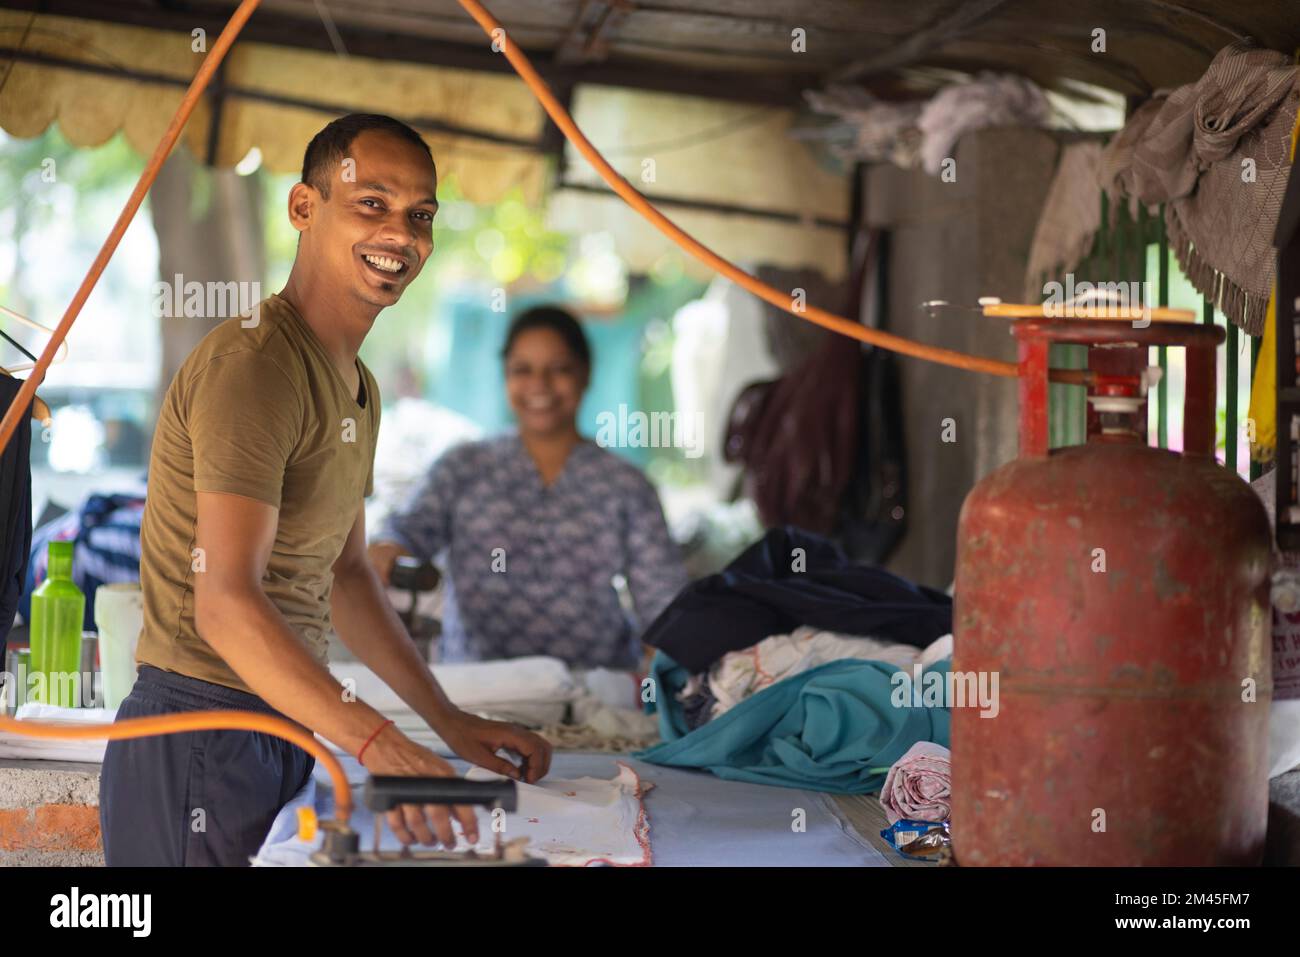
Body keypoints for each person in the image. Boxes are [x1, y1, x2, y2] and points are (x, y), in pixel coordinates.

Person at [99, 113, 551, 867]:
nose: (401, 234)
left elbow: (345, 575)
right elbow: (226, 601)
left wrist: (446, 721)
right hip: (197, 732)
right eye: (370, 203)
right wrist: (385, 747)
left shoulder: (357, 385)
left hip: (281, 723)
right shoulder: (257, 366)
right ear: (305, 208)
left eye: (421, 215)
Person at [368, 306, 688, 670]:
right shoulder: (464, 467)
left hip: (592, 698)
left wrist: (659, 688)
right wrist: (386, 550)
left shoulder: (625, 486)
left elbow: (663, 606)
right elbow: (404, 533)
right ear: (505, 377)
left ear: (585, 374)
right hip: (474, 696)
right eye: (523, 370)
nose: (540, 385)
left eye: (559, 369)